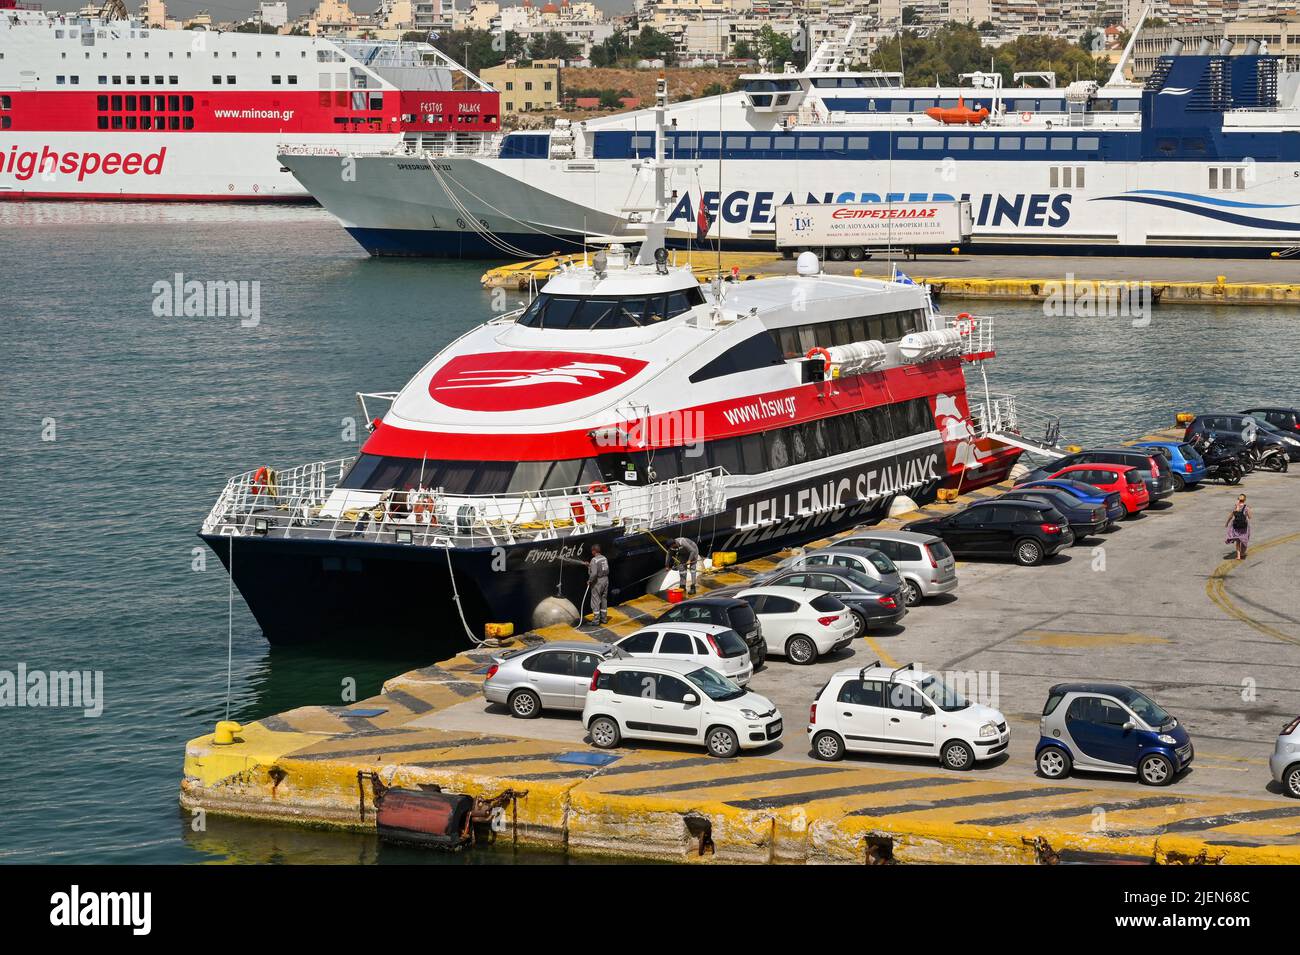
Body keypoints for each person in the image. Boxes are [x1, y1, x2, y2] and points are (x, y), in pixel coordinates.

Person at [587, 544, 609, 625]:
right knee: (604, 599)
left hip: (598, 581)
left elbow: (594, 574)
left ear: (594, 551)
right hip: (606, 579)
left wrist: (589, 581)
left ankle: (596, 620)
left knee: (595, 600)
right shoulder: (604, 558)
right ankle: (604, 618)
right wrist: (590, 566)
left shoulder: (594, 560)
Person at [1225, 494, 1251, 560]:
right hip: (1244, 527)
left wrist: (1227, 523)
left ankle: (1238, 556)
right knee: (1243, 540)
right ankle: (1242, 553)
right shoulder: (1246, 507)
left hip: (1236, 526)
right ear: (1245, 500)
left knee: (1237, 541)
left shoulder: (1236, 507)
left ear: (1238, 499)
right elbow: (1250, 517)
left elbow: (1231, 516)